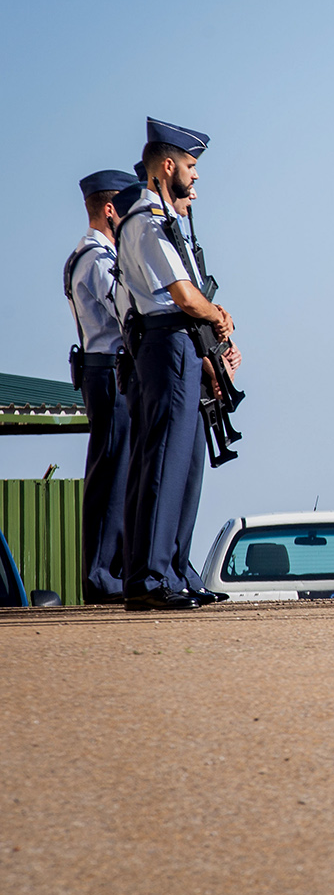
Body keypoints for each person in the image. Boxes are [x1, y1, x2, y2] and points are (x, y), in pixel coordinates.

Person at [116, 118, 233, 611]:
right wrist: (220, 317)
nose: (196, 176)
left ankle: (174, 569)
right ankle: (149, 578)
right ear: (167, 167)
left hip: (180, 345)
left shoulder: (162, 221)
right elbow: (184, 297)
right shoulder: (146, 222)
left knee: (183, 462)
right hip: (165, 343)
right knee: (164, 459)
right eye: (190, 165)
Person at [66, 170, 141, 603]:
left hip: (109, 371)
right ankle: (101, 574)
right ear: (110, 210)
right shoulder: (97, 258)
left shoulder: (94, 255)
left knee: (123, 471)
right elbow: (125, 313)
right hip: (109, 371)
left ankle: (115, 570)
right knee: (111, 475)